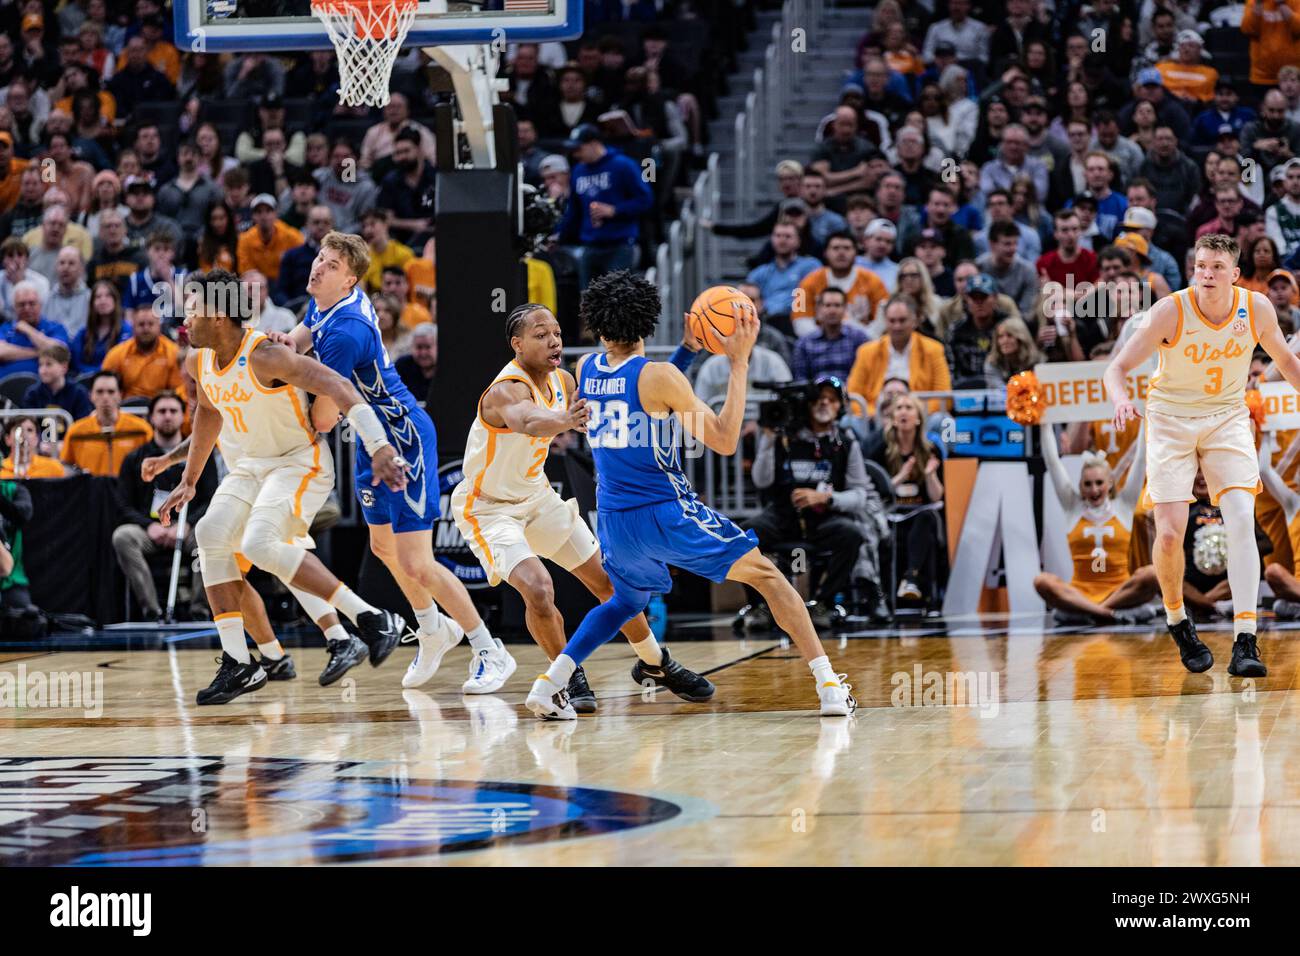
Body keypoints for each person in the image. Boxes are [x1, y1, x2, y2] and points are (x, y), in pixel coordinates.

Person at [523, 272, 854, 720]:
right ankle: (830, 685)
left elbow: (642, 390)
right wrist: (739, 365)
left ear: (598, 327)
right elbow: (723, 439)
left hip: (617, 521)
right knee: (770, 578)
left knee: (624, 601)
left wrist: (689, 350)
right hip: (668, 512)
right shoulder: (661, 377)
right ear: (647, 323)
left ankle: (550, 683)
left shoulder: (588, 369)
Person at [159, 268, 411, 704]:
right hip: (249, 468)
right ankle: (240, 662)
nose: (185, 320)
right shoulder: (196, 360)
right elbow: (208, 412)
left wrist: (379, 445)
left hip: (299, 462)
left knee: (259, 543)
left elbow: (337, 384)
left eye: (193, 310)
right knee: (210, 535)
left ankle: (370, 618)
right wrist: (188, 478)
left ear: (219, 315)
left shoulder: (265, 355)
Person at [269, 232, 503, 692]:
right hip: (369, 439)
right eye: (319, 257)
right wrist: (285, 344)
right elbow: (302, 333)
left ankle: (488, 648)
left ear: (350, 279)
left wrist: (278, 378)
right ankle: (432, 628)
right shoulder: (327, 301)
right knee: (383, 549)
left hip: (403, 439)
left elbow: (321, 416)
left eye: (331, 264)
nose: (318, 267)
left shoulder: (346, 332)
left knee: (418, 562)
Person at [449, 304, 713, 709]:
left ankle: (655, 662)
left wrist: (686, 353)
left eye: (556, 332)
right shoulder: (506, 390)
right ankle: (567, 676)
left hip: (537, 496)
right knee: (538, 588)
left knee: (611, 585)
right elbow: (528, 421)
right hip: (489, 507)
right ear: (517, 344)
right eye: (540, 334)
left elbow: (635, 390)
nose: (554, 340)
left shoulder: (565, 377)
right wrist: (565, 420)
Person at [1104, 233, 1300, 679]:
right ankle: (1177, 620)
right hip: (1170, 420)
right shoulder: (1170, 310)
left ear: (1235, 275)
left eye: (1216, 267)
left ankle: (1245, 638)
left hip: (1227, 417)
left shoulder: (1257, 310)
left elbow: (1288, 365)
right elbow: (1116, 368)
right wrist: (1120, 400)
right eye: (1200, 266)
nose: (1206, 274)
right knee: (1170, 535)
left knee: (1239, 520)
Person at [739, 376, 890, 629]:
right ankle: (760, 605)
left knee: (851, 534)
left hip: (823, 517)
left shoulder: (846, 443)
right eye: (819, 399)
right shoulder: (785, 436)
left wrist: (827, 498)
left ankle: (824, 602)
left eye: (831, 400)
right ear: (808, 405)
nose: (824, 404)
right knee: (743, 537)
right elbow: (761, 480)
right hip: (783, 514)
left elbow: (860, 496)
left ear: (840, 406)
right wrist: (767, 438)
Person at [1034, 422, 1160, 624]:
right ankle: (1106, 614)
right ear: (1080, 486)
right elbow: (1053, 463)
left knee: (1153, 574)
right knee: (1042, 581)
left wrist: (1146, 418)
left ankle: (1092, 612)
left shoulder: (1123, 506)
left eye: (1099, 483)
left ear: (1109, 483)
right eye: (1088, 484)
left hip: (1120, 592)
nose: (1094, 490)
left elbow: (1140, 460)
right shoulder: (1072, 506)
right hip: (1080, 592)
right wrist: (1045, 424)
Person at [113, 390, 216, 621]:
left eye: (173, 411)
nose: (167, 416)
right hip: (150, 530)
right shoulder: (135, 459)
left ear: (183, 417)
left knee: (208, 538)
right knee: (122, 536)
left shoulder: (201, 454)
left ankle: (199, 609)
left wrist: (188, 524)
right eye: (161, 411)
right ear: (151, 417)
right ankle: (152, 610)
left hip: (189, 529)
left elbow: (212, 498)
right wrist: (149, 526)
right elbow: (122, 504)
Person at [556, 124, 654, 291]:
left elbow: (645, 200)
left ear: (594, 143)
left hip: (620, 243)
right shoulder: (579, 171)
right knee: (587, 300)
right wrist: (559, 235)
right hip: (590, 244)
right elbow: (574, 210)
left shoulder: (623, 165)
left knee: (616, 299)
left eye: (579, 148)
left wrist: (615, 210)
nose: (576, 154)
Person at [868, 393, 945, 605]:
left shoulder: (931, 450)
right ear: (893, 418)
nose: (903, 412)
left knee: (927, 518)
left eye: (909, 408)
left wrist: (930, 475)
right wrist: (901, 475)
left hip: (919, 513)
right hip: (890, 514)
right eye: (899, 408)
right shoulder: (881, 449)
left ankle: (911, 579)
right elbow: (876, 492)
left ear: (918, 418)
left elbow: (937, 496)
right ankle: (895, 591)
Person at [848, 294, 951, 415]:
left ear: (915, 321)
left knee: (943, 420)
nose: (897, 326)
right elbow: (853, 395)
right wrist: (874, 414)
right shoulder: (866, 351)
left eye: (902, 320)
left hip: (920, 415)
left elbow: (945, 397)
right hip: (876, 417)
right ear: (885, 321)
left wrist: (912, 412)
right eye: (892, 321)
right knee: (848, 422)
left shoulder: (933, 349)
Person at [790, 231, 886, 335]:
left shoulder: (874, 281)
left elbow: (883, 319)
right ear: (825, 253)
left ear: (856, 253)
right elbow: (799, 320)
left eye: (847, 248)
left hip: (863, 344)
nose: (841, 253)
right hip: (818, 346)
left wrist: (863, 339)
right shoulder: (807, 282)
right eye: (835, 248)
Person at [61, 369, 152, 475]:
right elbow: (66, 465)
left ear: (120, 395)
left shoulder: (141, 429)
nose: (105, 397)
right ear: (91, 396)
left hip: (128, 490)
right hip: (90, 490)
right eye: (99, 392)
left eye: (111, 392)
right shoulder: (76, 431)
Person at [101, 306, 181, 400]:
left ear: (159, 327)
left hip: (163, 408)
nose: (146, 329)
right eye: (141, 324)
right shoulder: (117, 354)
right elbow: (104, 385)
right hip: (126, 408)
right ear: (133, 327)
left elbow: (178, 391)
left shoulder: (173, 352)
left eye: (151, 324)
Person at [792, 288, 868, 383]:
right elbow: (800, 379)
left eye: (837, 305)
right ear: (818, 309)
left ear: (845, 308)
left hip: (851, 394)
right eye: (827, 305)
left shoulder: (858, 338)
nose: (832, 310)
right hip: (816, 395)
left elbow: (866, 375)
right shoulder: (804, 343)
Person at [236, 194, 303, 287]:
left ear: (276, 214)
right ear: (253, 216)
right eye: (259, 212)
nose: (264, 216)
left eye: (268, 211)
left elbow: (302, 261)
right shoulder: (245, 240)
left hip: (286, 284)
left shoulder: (292, 236)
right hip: (258, 286)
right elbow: (246, 272)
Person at [22, 342, 91, 423]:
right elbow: (28, 426)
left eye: (49, 364)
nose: (42, 370)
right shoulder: (32, 393)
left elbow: (82, 425)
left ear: (64, 367)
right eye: (40, 365)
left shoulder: (79, 393)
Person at [72, 279, 130, 373]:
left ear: (115, 301)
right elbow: (76, 362)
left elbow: (120, 361)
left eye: (108, 296)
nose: (103, 300)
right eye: (98, 297)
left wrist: (101, 372)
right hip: (85, 381)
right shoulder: (84, 332)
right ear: (92, 303)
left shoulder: (126, 330)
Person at [983, 317, 1042, 386]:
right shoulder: (992, 363)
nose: (1004, 341)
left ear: (1021, 338)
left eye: (1010, 336)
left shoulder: (1038, 361)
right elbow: (998, 391)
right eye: (1000, 336)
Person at [1, 415, 65, 478]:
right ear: (8, 439)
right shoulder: (1, 468)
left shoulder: (53, 468)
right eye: (18, 430)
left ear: (36, 439)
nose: (24, 434)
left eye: (29, 430)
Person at [394, 322, 436, 402]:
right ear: (412, 347)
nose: (423, 353)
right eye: (419, 347)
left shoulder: (448, 366)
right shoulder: (402, 366)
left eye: (428, 347)